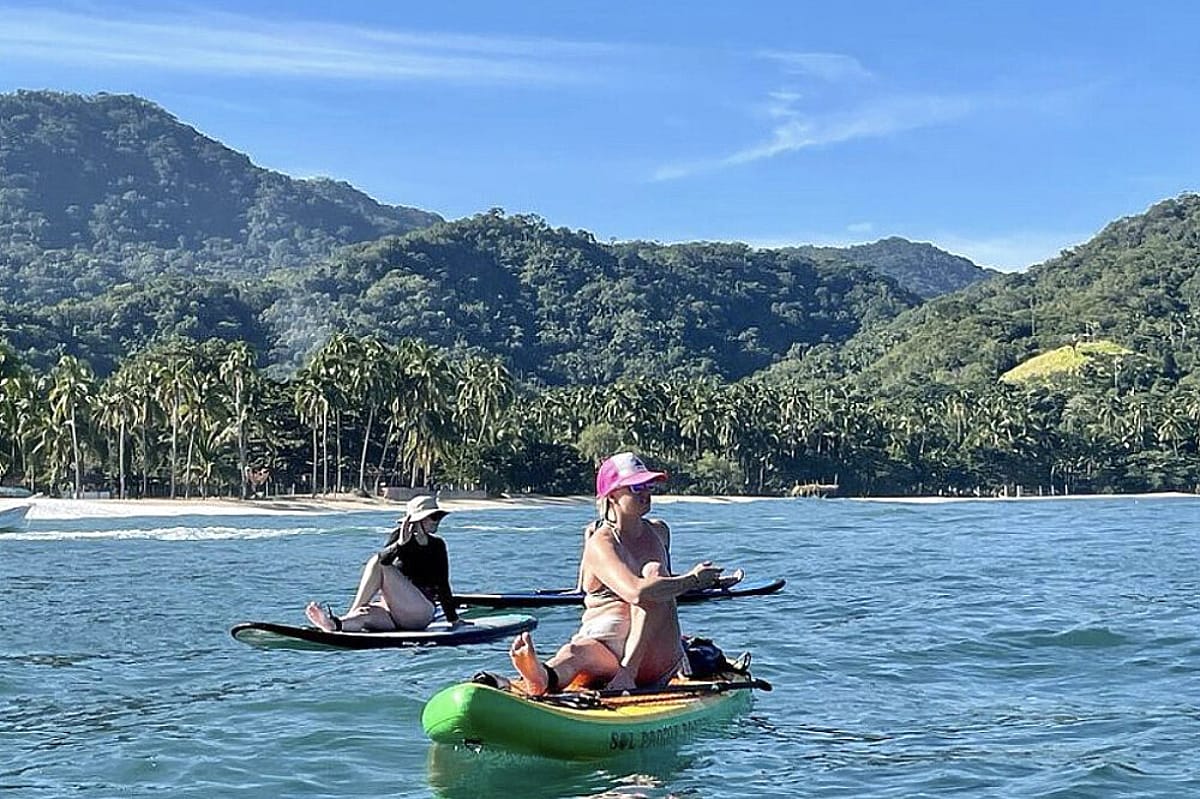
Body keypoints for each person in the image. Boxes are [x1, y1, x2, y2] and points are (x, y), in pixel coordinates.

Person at [508, 452, 727, 695]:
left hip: (650, 653)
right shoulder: (601, 542)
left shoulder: (660, 532)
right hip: (605, 645)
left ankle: (628, 673)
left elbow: (665, 589)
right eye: (636, 487)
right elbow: (635, 592)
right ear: (612, 495)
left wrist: (705, 583)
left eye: (649, 485)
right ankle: (541, 676)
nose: (646, 492)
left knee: (654, 573)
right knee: (575, 653)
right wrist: (693, 579)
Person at [305, 494, 461, 632]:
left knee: (377, 561)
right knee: (363, 615)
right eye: (434, 517)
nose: (438, 521)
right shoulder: (397, 538)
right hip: (392, 611)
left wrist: (453, 620)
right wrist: (400, 545)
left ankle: (351, 611)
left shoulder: (437, 546)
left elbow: (443, 585)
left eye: (438, 517)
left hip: (421, 611)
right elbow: (383, 563)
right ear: (418, 520)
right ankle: (335, 624)